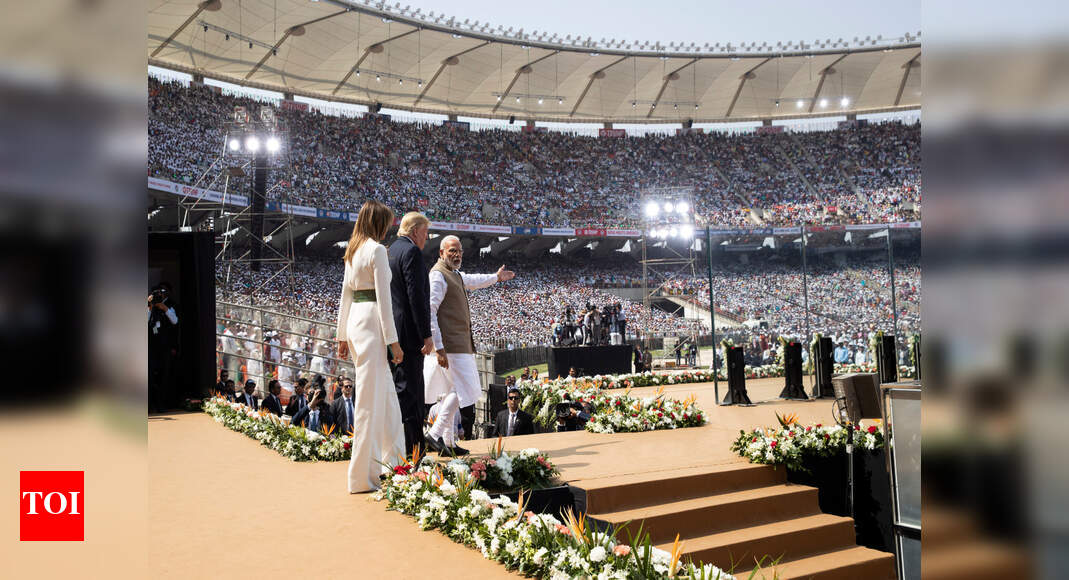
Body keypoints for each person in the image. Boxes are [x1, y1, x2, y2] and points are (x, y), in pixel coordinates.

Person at [336, 200, 406, 493]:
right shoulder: (376, 250)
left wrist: (341, 335)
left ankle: (396, 462)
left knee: (387, 398)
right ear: (378, 223)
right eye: (386, 223)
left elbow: (345, 295)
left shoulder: (352, 250)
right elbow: (384, 301)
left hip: (356, 322)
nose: (389, 228)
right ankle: (362, 477)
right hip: (373, 325)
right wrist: (394, 343)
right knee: (368, 402)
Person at [424, 235, 515, 441]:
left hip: (457, 344)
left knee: (451, 391)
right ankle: (435, 433)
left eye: (459, 251)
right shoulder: (438, 275)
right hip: (451, 345)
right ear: (441, 253)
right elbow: (429, 311)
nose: (457, 255)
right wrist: (438, 347)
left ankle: (448, 441)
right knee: (467, 388)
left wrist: (496, 277)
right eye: (452, 251)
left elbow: (473, 280)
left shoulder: (454, 273)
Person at [387, 212, 435, 454]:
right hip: (409, 334)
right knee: (412, 393)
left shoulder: (391, 250)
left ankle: (402, 446)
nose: (427, 238)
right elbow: (416, 297)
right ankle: (413, 449)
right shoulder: (412, 252)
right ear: (415, 231)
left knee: (400, 390)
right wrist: (426, 334)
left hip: (393, 332)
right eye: (426, 232)